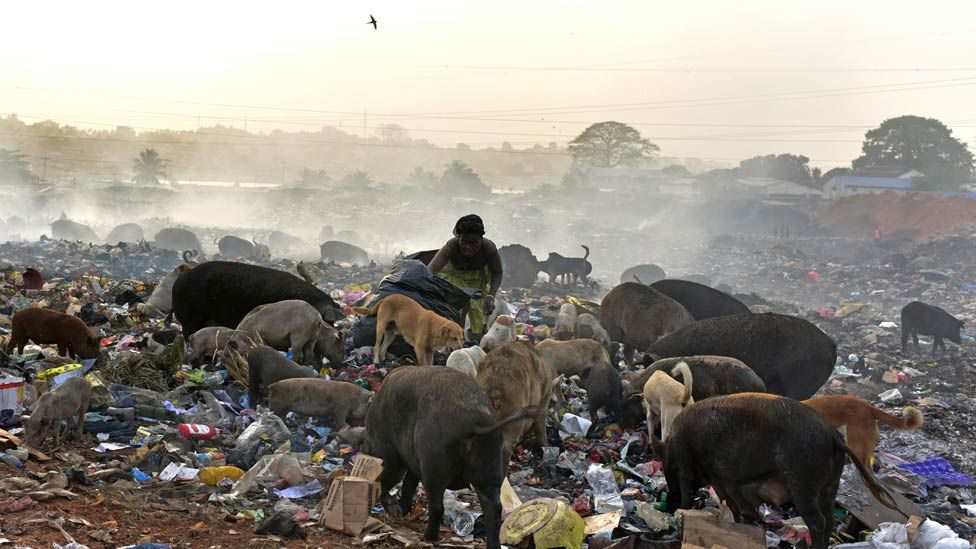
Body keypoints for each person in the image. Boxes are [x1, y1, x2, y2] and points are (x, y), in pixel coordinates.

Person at [428, 214, 503, 340]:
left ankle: (474, 339)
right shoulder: (451, 245)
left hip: (476, 280)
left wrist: (491, 296)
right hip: (452, 276)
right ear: (459, 238)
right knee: (459, 303)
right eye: (464, 242)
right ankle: (457, 337)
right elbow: (432, 269)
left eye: (474, 243)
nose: (468, 247)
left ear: (481, 240)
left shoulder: (489, 248)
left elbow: (497, 273)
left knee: (479, 312)